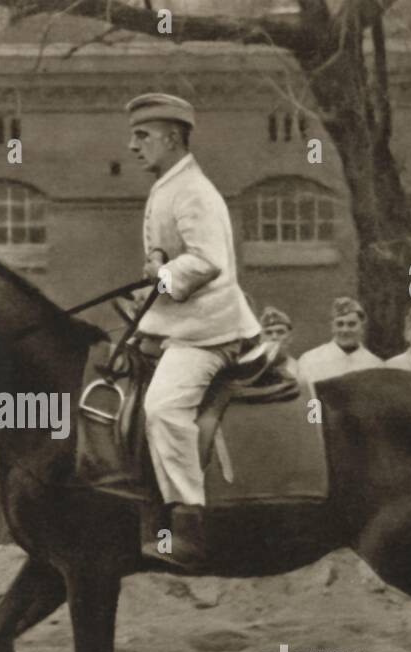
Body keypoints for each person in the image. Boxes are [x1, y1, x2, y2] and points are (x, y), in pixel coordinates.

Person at [125, 92, 262, 569]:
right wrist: (157, 275)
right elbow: (173, 256)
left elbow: (207, 260)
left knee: (163, 407)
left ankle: (188, 522)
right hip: (179, 323)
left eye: (142, 135)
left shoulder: (194, 191)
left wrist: (158, 281)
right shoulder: (169, 184)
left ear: (173, 136)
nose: (132, 145)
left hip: (209, 332)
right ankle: (143, 507)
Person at [298, 297, 385, 382]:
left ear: (362, 327)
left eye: (352, 324)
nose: (345, 330)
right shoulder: (310, 360)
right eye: (340, 324)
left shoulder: (375, 365)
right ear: (332, 326)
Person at [257, 307, 299, 376]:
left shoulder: (299, 370)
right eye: (268, 333)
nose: (274, 337)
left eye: (280, 332)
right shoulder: (252, 370)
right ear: (260, 338)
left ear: (290, 337)